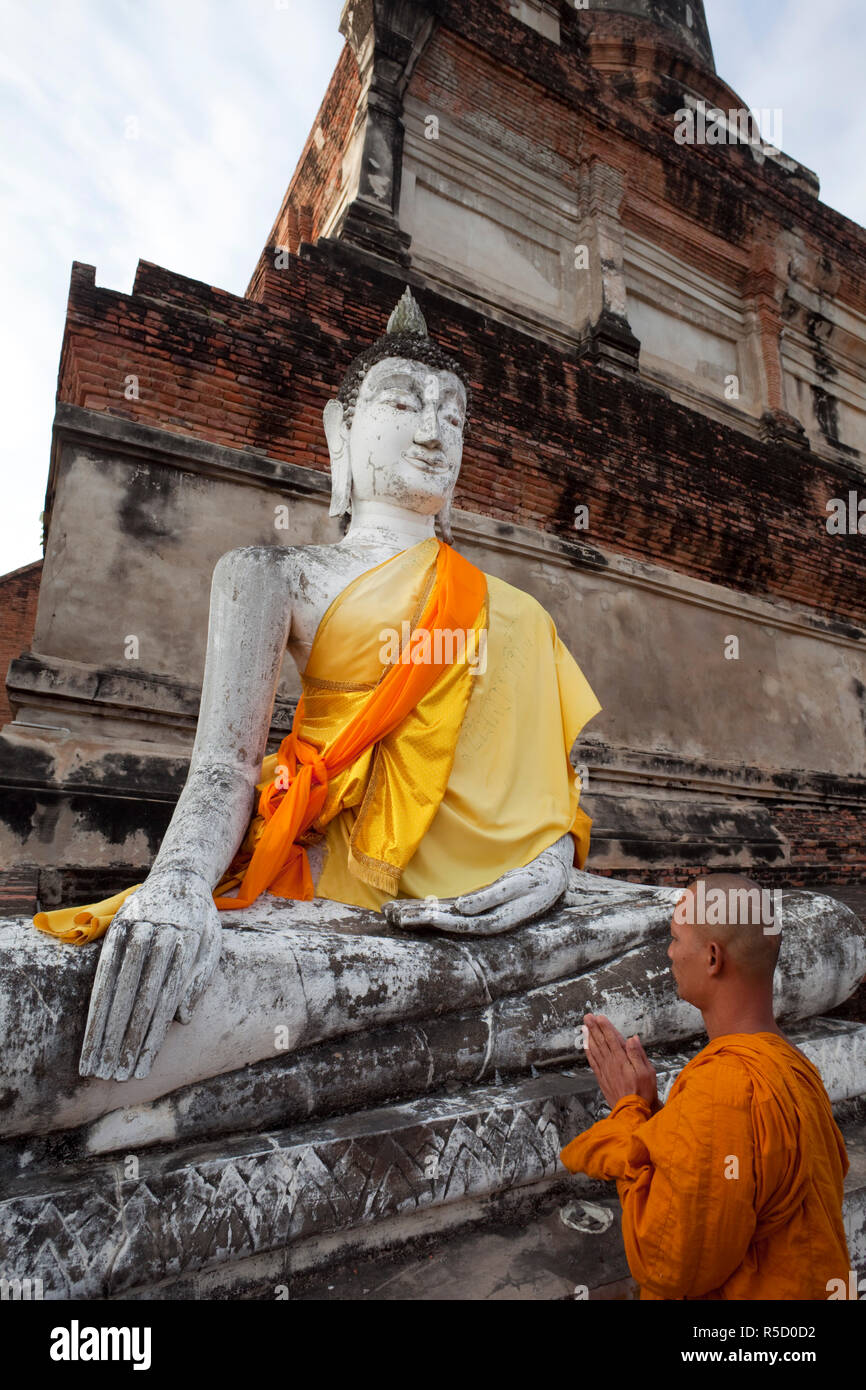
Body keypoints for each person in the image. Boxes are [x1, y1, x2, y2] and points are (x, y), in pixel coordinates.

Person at [559, 872, 852, 1300]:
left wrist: (627, 1113)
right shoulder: (797, 1069)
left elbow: (669, 1263)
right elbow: (728, 1178)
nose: (670, 952)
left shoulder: (723, 1085)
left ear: (713, 958)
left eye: (677, 938)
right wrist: (659, 1122)